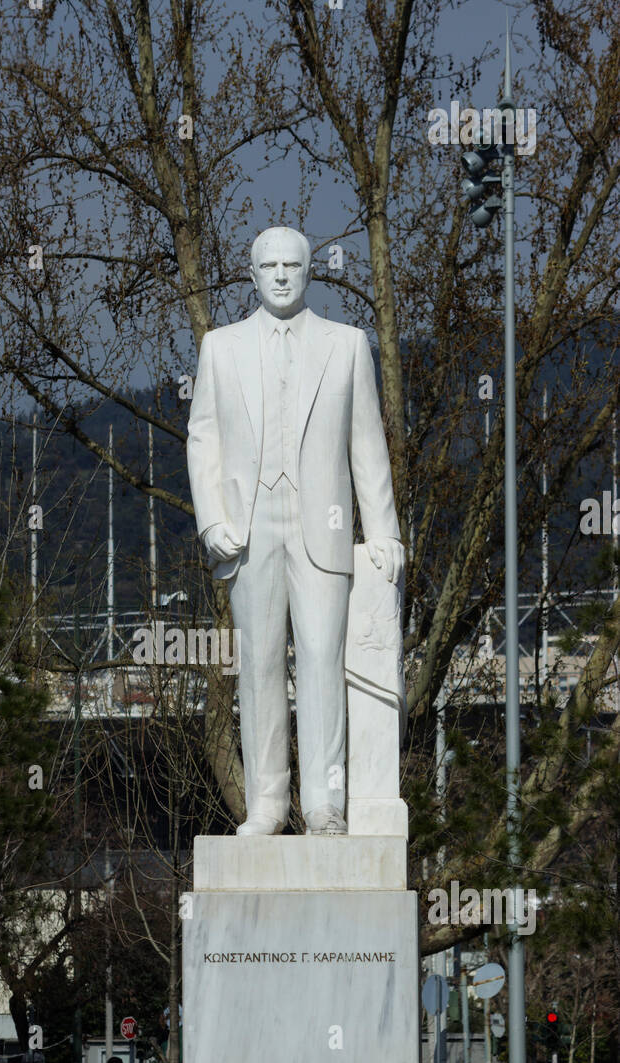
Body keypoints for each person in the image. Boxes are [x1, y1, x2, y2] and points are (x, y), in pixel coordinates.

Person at [186, 226, 404, 836]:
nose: (281, 275)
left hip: (323, 530)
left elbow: (368, 445)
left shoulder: (347, 345)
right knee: (256, 666)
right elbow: (203, 437)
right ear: (252, 275)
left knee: (320, 662)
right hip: (250, 531)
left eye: (292, 264)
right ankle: (268, 805)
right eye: (269, 265)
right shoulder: (220, 348)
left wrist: (384, 531)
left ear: (310, 272)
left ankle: (326, 805)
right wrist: (212, 520)